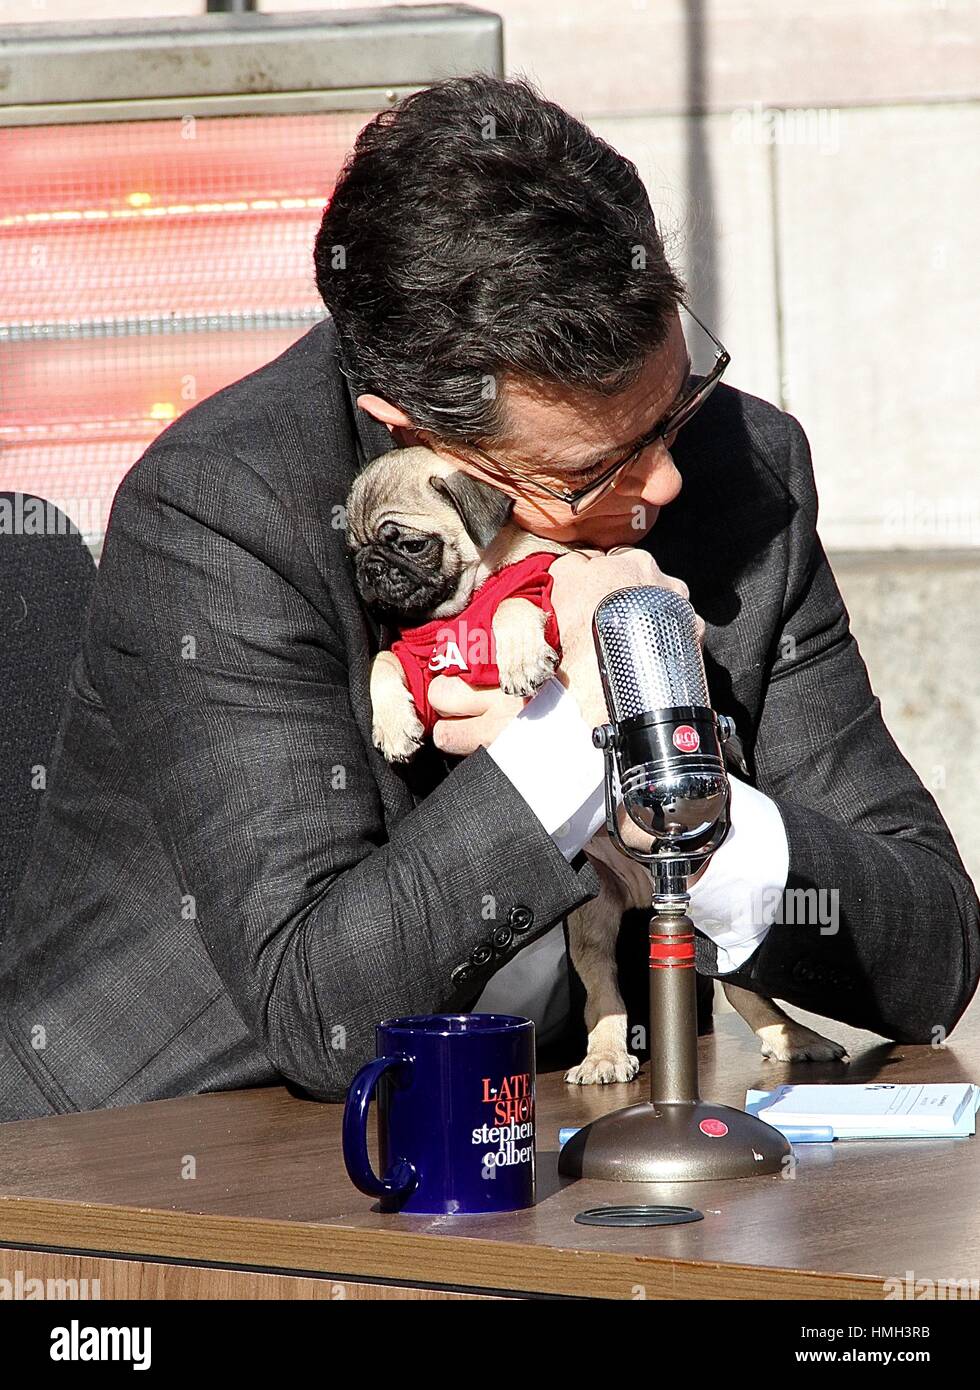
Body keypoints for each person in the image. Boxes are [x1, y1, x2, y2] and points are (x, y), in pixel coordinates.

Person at [1, 76, 976, 1123]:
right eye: (590, 471)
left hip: (586, 1121)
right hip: (171, 1153)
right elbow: (323, 1012)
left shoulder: (742, 470)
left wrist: (669, 795)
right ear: (410, 432)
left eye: (673, 405)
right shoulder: (225, 512)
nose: (662, 484)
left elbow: (932, 953)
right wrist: (568, 740)